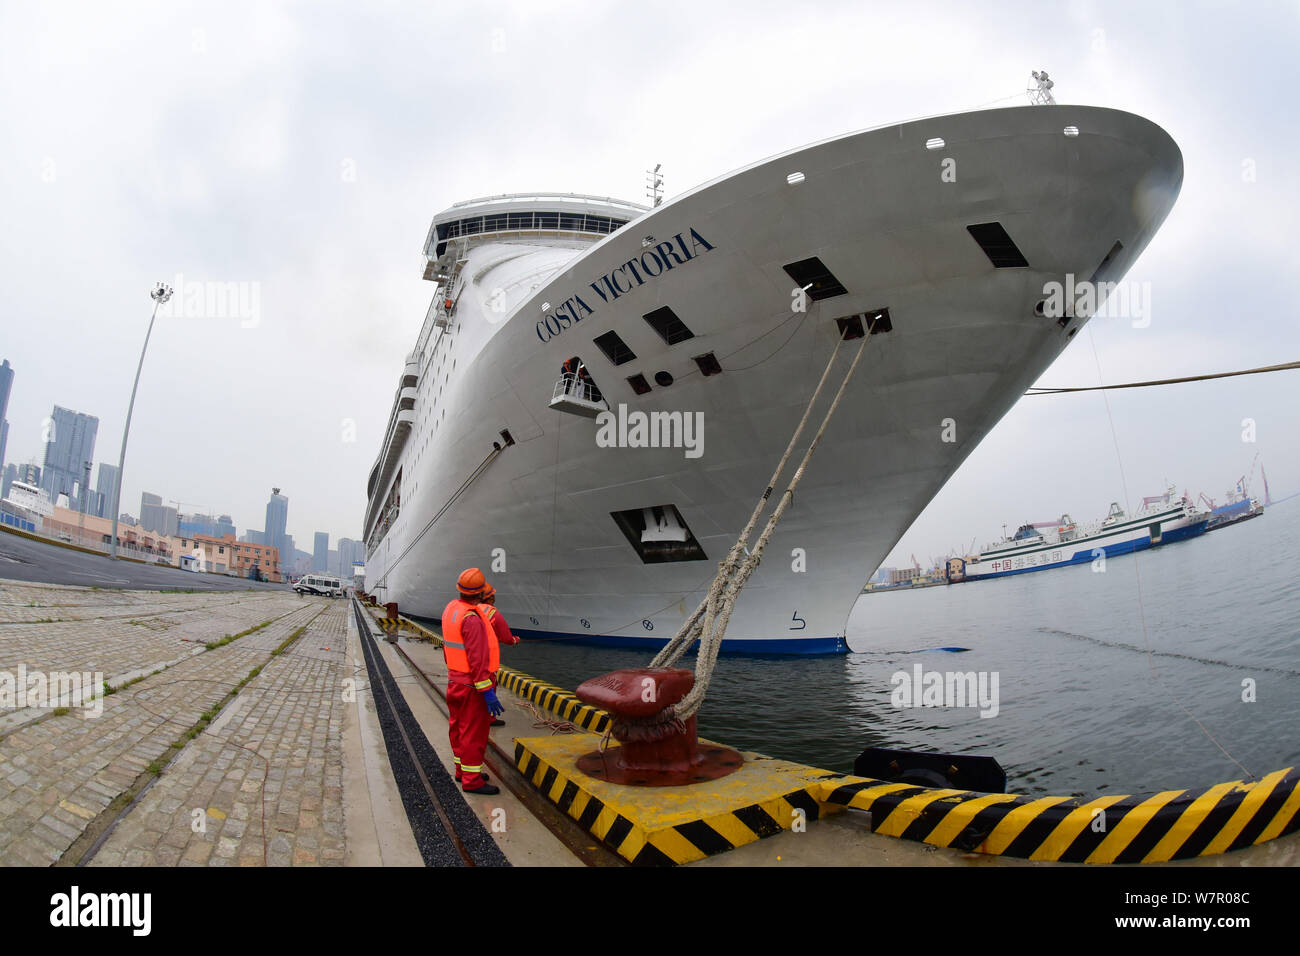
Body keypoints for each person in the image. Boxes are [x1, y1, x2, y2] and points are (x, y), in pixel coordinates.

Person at [441, 567, 504, 794]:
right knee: (474, 734)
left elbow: (449, 650)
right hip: (472, 687)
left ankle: (464, 772)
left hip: (455, 681)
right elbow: (477, 661)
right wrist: (487, 691)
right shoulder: (473, 619)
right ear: (479, 594)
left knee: (457, 728)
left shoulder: (451, 610)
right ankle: (472, 781)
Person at [479, 583, 520, 727]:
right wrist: (515, 640)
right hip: (489, 660)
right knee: (489, 687)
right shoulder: (492, 612)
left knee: (476, 690)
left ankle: (476, 715)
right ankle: (489, 719)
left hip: (474, 658)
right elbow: (506, 637)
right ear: (490, 597)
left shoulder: (472, 610)